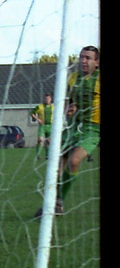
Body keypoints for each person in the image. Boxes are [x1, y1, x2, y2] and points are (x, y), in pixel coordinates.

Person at [37, 45, 100, 217]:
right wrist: (69, 109)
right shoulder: (73, 78)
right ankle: (52, 204)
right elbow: (68, 103)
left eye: (88, 58)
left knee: (74, 161)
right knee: (55, 167)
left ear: (97, 62)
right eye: (81, 57)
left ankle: (58, 202)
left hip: (92, 130)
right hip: (73, 127)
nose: (84, 61)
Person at [30, 93, 54, 159]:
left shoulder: (53, 107)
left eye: (48, 99)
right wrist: (38, 119)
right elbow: (32, 113)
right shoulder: (40, 107)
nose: (47, 100)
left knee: (48, 141)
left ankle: (47, 155)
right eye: (46, 99)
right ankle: (37, 155)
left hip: (50, 126)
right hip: (42, 126)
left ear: (51, 99)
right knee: (40, 140)